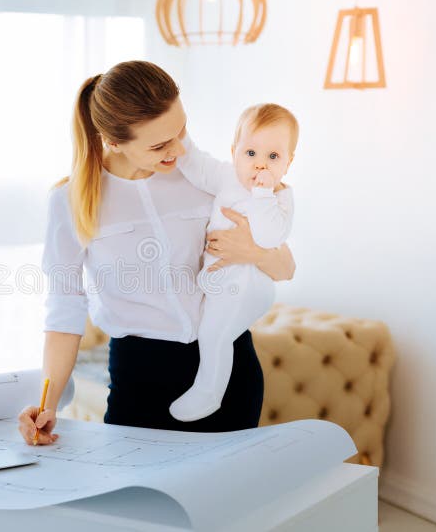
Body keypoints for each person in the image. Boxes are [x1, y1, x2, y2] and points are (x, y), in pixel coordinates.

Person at [17, 61, 295, 446]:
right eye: (160, 144)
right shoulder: (70, 201)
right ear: (113, 142)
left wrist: (252, 250)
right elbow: (64, 312)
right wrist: (46, 404)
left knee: (228, 502)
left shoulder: (205, 177)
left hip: (229, 366)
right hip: (140, 378)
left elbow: (285, 268)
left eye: (181, 131)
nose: (178, 150)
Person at [169, 103, 298, 422]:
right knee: (208, 326)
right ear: (234, 151)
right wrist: (180, 135)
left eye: (273, 157)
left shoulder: (280, 196)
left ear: (288, 162)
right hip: (220, 282)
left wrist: (263, 195)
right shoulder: (227, 177)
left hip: (249, 284)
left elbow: (270, 238)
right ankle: (208, 384)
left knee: (216, 333)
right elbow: (196, 164)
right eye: (251, 153)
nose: (260, 166)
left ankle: (209, 393)